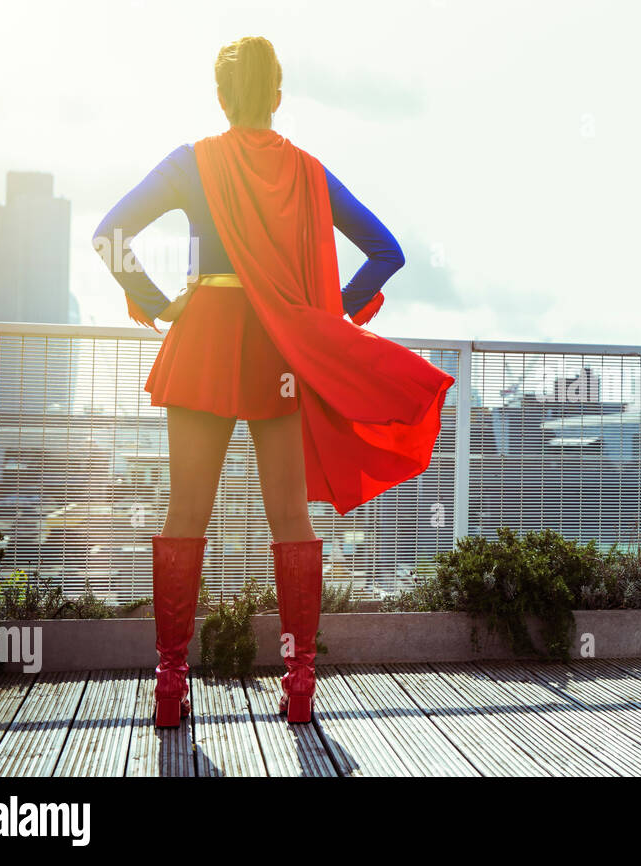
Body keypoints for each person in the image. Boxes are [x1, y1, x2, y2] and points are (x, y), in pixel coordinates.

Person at [93, 36, 456, 726]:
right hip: (281, 351)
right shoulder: (310, 171)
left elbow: (110, 233)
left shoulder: (191, 161)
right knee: (290, 520)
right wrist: (322, 320)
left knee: (183, 518)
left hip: (202, 341)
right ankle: (300, 684)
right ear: (278, 98)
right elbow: (388, 252)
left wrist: (165, 302)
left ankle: (171, 684)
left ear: (223, 98)